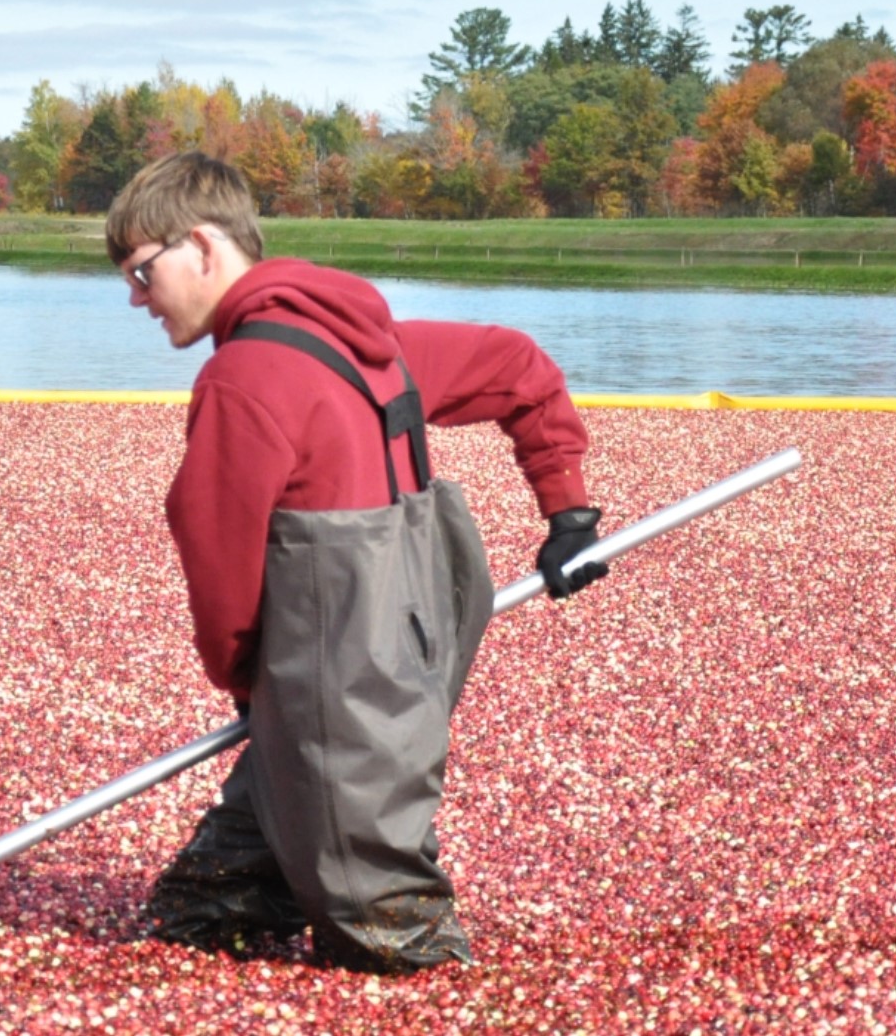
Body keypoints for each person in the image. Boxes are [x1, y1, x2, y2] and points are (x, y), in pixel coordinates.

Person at [106, 151, 607, 974]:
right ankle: (235, 897)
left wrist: (242, 677)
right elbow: (521, 367)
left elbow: (216, 554)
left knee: (388, 936)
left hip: (340, 682)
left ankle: (424, 968)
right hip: (416, 648)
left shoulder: (243, 378)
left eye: (140, 272)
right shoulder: (374, 345)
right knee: (211, 902)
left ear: (200, 245)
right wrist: (569, 514)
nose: (135, 298)